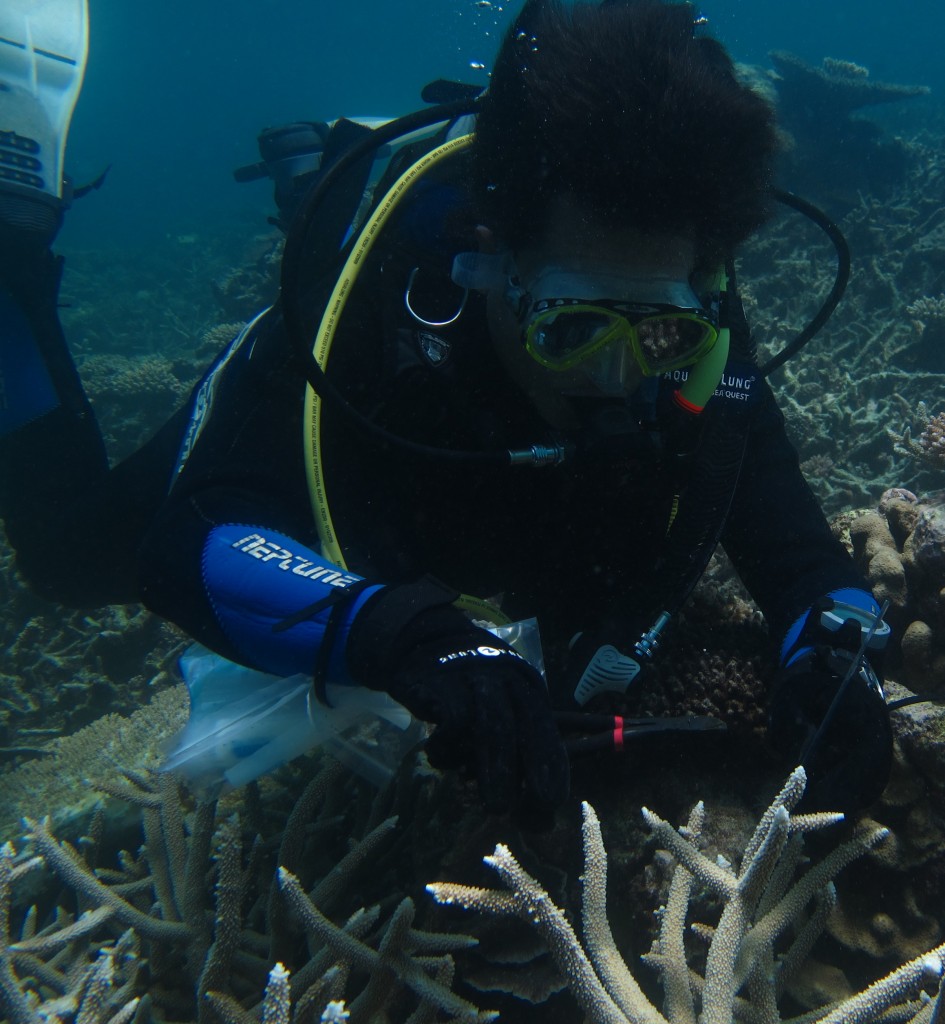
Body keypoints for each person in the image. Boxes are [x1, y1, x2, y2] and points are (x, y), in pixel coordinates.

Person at [0, 0, 894, 823]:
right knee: (72, 557)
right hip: (383, 388)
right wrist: (404, 638)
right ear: (487, 257)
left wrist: (832, 661)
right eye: (571, 324)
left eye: (656, 330)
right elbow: (183, 537)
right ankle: (16, 248)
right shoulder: (378, 316)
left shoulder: (696, 329)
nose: (618, 373)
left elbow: (795, 551)